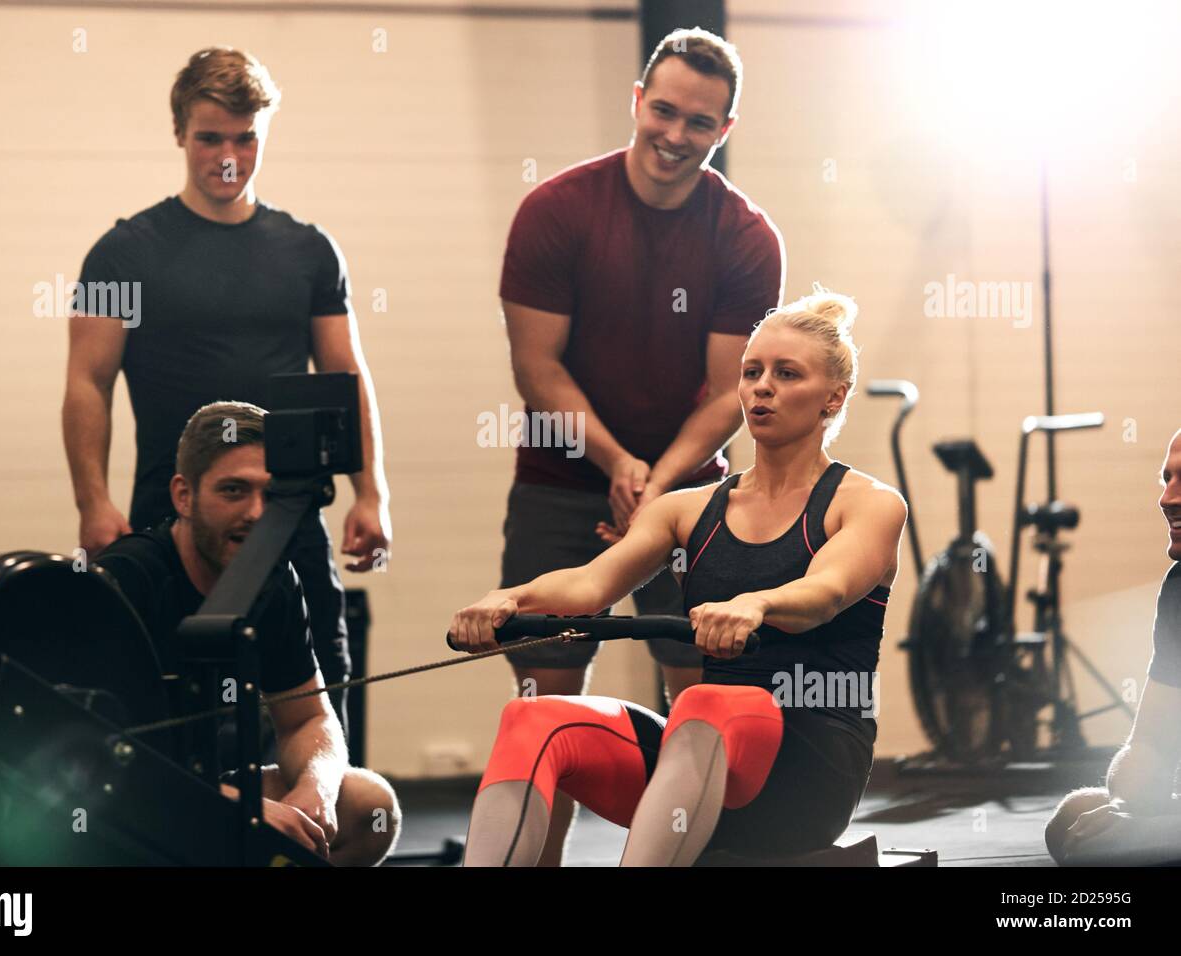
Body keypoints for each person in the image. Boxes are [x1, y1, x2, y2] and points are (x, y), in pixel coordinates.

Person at [451, 289, 906, 866]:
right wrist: (506, 599)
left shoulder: (867, 503)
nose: (762, 387)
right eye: (751, 372)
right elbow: (590, 587)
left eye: (787, 374)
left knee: (704, 702)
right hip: (700, 756)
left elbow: (828, 593)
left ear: (833, 398)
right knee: (532, 716)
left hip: (809, 762)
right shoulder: (685, 509)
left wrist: (756, 605)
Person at [494, 26, 784, 864]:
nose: (675, 134)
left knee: (700, 699)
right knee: (542, 706)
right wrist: (619, 464)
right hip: (561, 479)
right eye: (663, 110)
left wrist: (659, 483)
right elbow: (536, 366)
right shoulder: (556, 211)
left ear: (722, 131)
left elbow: (731, 390)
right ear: (637, 101)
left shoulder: (746, 237)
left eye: (699, 123)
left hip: (691, 497)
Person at [63, 46, 391, 734]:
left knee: (316, 711)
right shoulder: (124, 252)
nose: (228, 156)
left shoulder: (308, 250)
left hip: (292, 513)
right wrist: (94, 504)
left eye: (246, 139)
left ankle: (314, 835)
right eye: (210, 137)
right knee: (171, 718)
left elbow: (346, 376)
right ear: (180, 132)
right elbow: (88, 382)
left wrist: (372, 493)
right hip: (170, 516)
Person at [95, 401, 400, 866]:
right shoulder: (129, 577)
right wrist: (233, 807)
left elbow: (307, 720)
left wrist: (312, 791)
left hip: (201, 792)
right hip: (114, 800)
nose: (257, 513)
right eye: (233, 491)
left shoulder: (273, 581)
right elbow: (92, 751)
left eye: (271, 494)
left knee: (365, 805)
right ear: (183, 495)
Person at [1043, 429, 1181, 866]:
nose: (1167, 498)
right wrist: (1130, 801)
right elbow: (1150, 744)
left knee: (1102, 849)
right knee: (1072, 820)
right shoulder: (1178, 589)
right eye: (1167, 479)